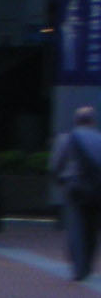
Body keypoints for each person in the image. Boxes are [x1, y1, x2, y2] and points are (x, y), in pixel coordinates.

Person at [50, 105, 101, 281]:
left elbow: (57, 164)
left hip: (75, 187)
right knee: (92, 228)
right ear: (93, 121)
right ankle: (87, 264)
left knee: (76, 226)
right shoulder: (99, 138)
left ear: (75, 121)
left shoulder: (66, 138)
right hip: (97, 189)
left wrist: (58, 181)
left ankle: (79, 267)